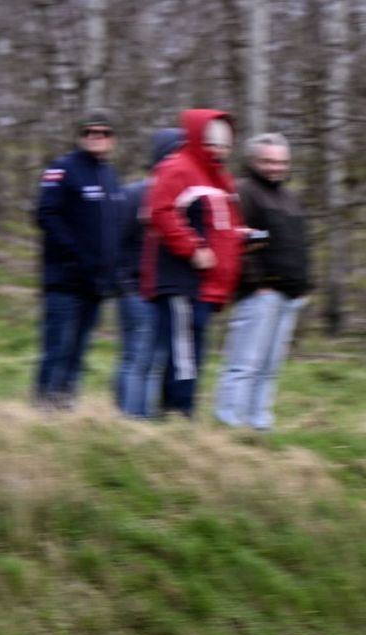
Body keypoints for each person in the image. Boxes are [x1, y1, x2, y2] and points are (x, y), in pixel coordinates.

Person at [142, 109, 244, 418]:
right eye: (213, 143)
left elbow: (225, 226)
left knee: (195, 354)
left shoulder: (221, 180)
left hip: (207, 286)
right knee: (183, 355)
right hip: (180, 281)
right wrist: (193, 248)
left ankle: (178, 415)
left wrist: (245, 238)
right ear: (199, 138)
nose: (220, 150)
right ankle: (178, 416)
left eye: (225, 144)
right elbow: (160, 211)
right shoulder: (178, 168)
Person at [215, 133, 313, 430]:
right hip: (260, 295)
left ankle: (259, 422)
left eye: (281, 162)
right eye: (268, 161)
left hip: (290, 295)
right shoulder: (243, 192)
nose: (275, 167)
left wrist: (304, 287)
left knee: (270, 366)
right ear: (253, 160)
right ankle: (229, 421)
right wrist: (257, 283)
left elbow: (297, 244)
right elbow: (237, 242)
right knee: (244, 363)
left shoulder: (289, 197)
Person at [33, 110, 122, 409]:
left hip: (95, 284)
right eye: (90, 133)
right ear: (81, 137)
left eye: (103, 133)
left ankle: (66, 404)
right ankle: (44, 408)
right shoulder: (63, 169)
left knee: (79, 350)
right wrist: (74, 254)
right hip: (65, 280)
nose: (96, 138)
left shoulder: (110, 175)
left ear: (113, 139)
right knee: (57, 347)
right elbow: (46, 214)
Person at [112, 128, 184, 417]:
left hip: (161, 293)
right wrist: (125, 285)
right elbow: (114, 243)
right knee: (138, 360)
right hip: (136, 292)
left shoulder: (181, 201)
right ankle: (132, 423)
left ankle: (137, 420)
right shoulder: (134, 195)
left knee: (151, 360)